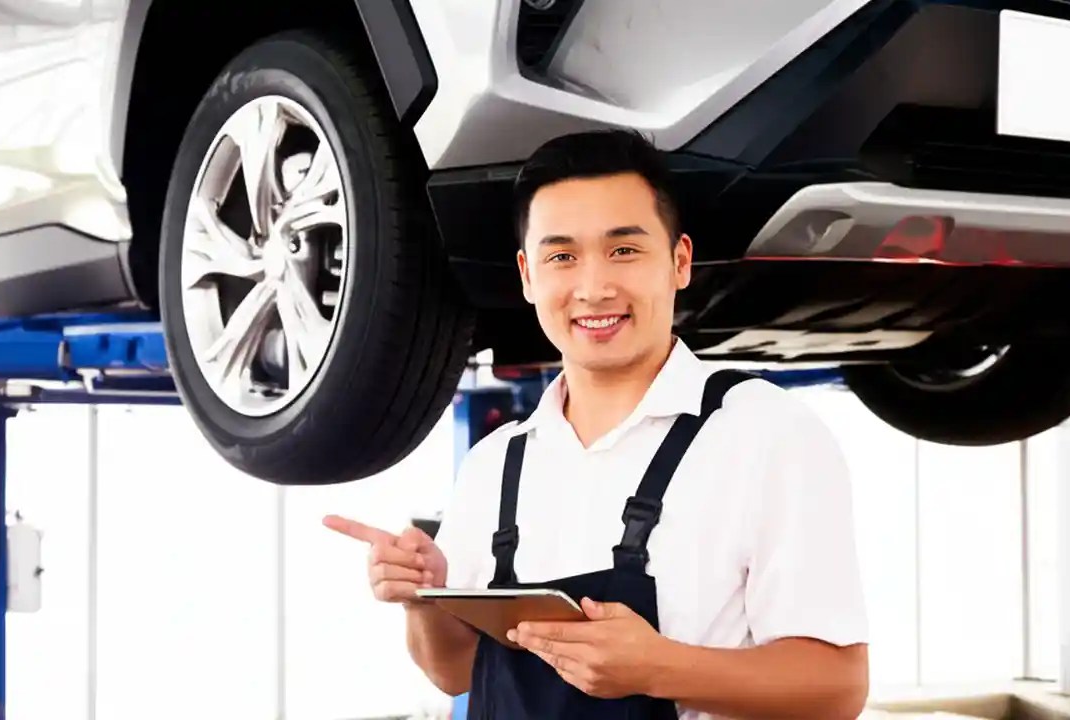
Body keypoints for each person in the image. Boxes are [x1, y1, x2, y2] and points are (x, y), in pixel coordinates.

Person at [324, 129, 870, 719]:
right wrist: (422, 600)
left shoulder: (766, 435)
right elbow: (455, 673)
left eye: (624, 250)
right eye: (562, 256)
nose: (593, 287)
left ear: (679, 261)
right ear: (528, 276)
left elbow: (836, 687)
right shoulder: (496, 465)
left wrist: (656, 667)